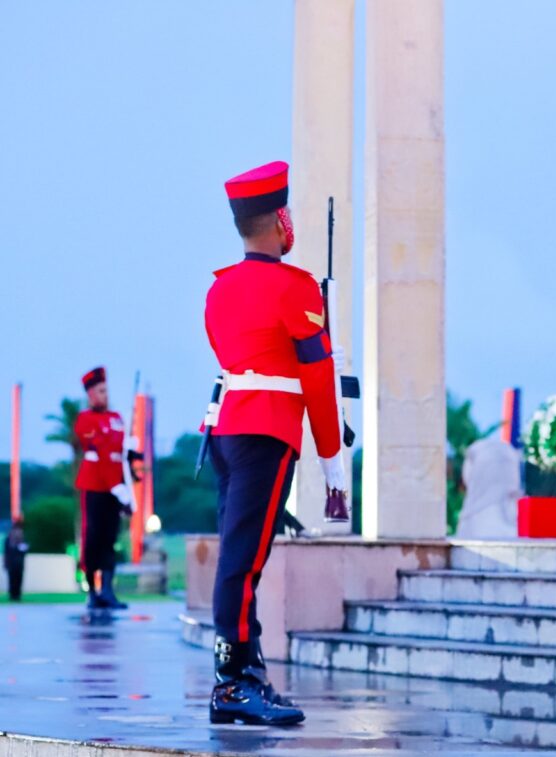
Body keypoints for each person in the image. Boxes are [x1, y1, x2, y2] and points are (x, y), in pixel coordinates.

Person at [203, 160, 345, 726]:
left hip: (226, 430)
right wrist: (333, 463)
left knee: (243, 558)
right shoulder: (297, 287)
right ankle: (232, 684)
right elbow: (317, 377)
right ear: (280, 220)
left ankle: (248, 673)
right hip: (266, 432)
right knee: (245, 560)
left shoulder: (219, 290)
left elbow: (245, 357)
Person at [74, 367, 133, 610]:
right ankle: (93, 592)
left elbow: (118, 450)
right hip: (95, 486)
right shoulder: (85, 419)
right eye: (100, 391)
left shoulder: (116, 417)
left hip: (115, 487)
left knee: (110, 538)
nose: (105, 395)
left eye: (106, 390)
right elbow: (100, 446)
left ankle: (108, 590)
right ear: (90, 394)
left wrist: (132, 449)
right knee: (93, 538)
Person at [4, 516, 29, 601]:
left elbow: (24, 549)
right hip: (14, 562)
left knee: (17, 579)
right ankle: (14, 595)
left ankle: (16, 595)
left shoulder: (21, 538)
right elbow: (7, 551)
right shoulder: (10, 538)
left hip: (17, 562)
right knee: (14, 579)